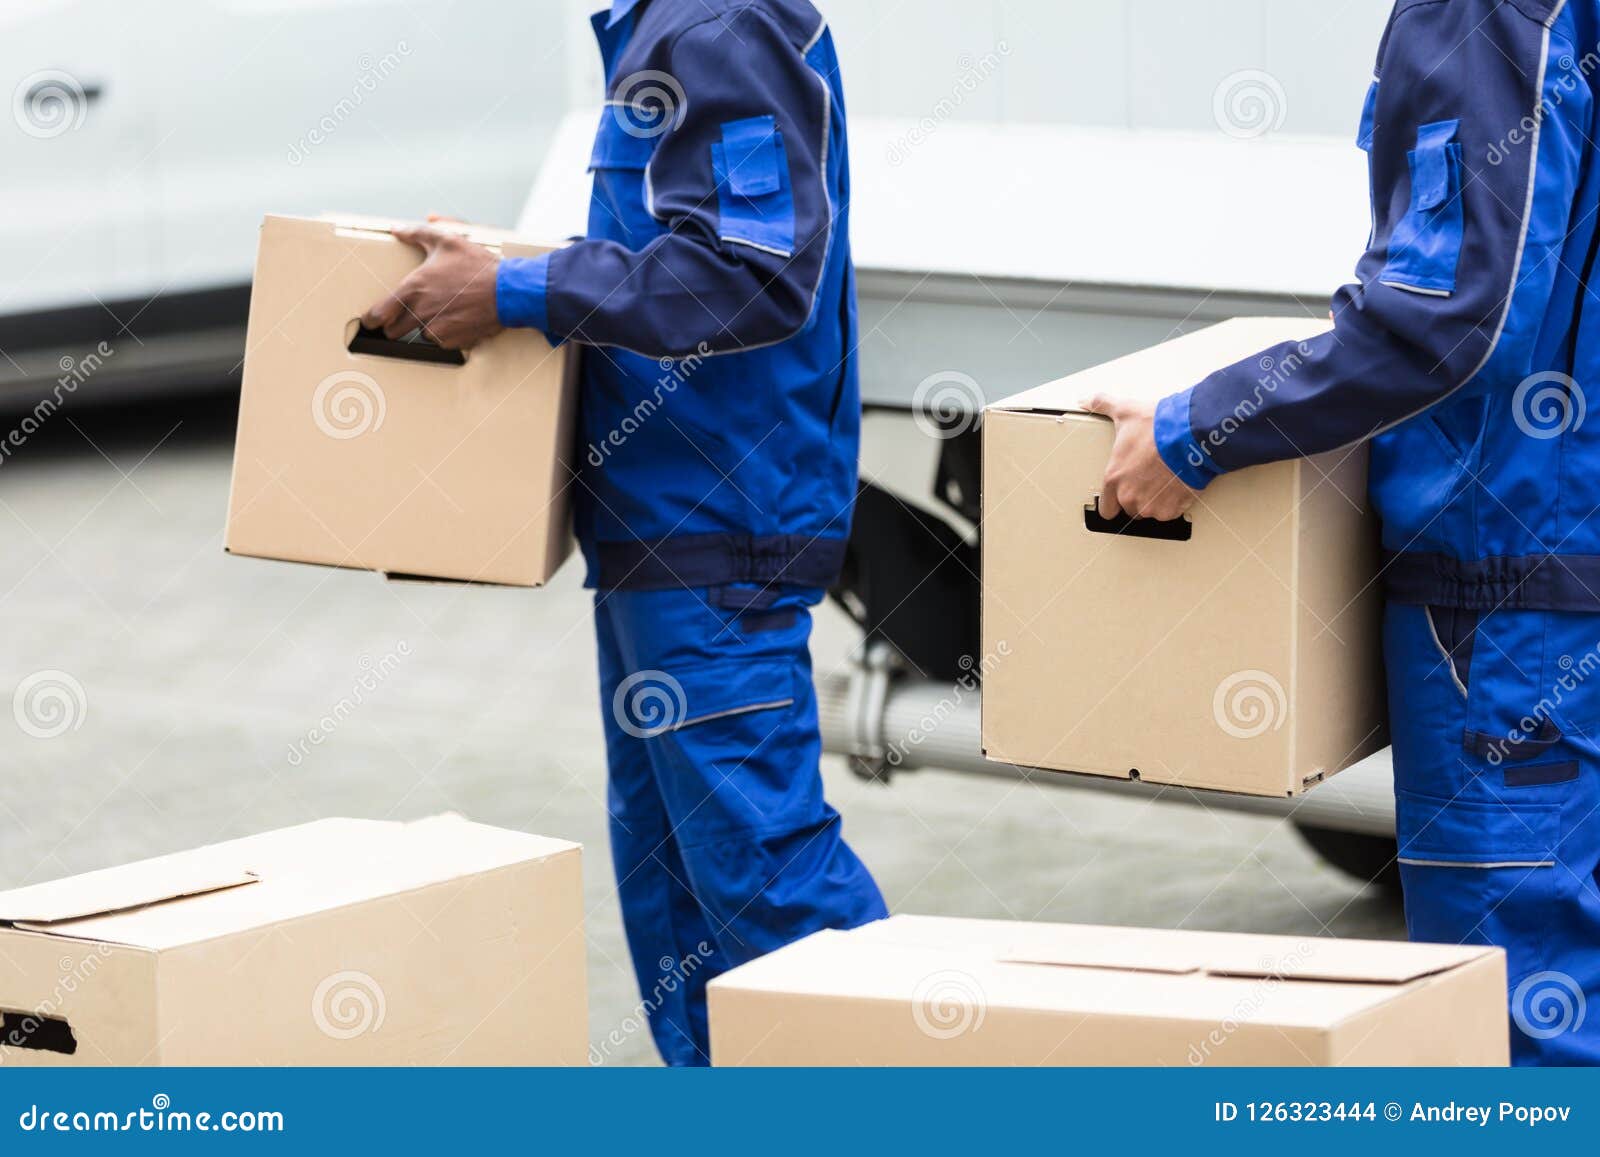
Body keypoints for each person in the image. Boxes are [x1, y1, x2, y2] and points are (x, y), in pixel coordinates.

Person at [360, 0, 885, 1066]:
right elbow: (672, 251)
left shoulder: (717, 26)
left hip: (719, 530)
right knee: (681, 899)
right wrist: (500, 272)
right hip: (658, 531)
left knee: (766, 891)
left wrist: (516, 289)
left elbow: (755, 273)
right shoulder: (660, 30)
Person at [1087, 0, 1600, 1064]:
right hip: (1550, 547)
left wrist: (1193, 432)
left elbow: (1447, 315)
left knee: (1511, 1015)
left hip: (1508, 590)